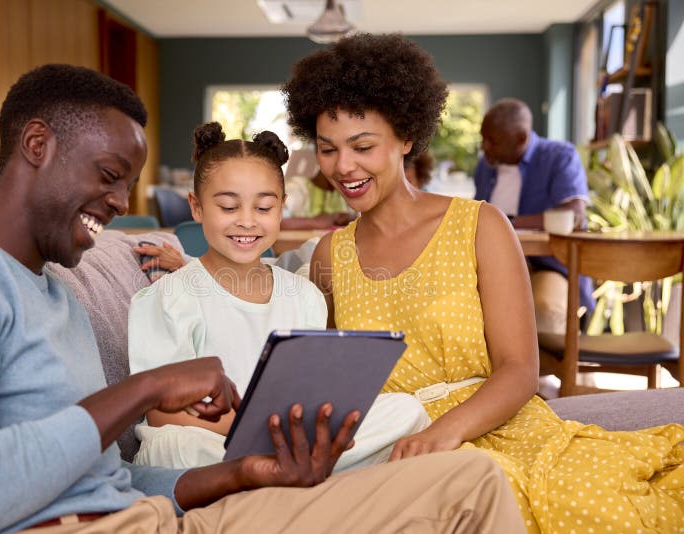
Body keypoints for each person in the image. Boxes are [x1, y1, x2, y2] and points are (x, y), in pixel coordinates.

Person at [0, 64, 525, 533]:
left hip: (162, 514)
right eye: (110, 178)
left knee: (472, 478)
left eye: (127, 186)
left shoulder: (57, 294)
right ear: (36, 145)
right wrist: (146, 389)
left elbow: (114, 478)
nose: (119, 205)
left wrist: (243, 475)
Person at [283, 33, 684, 533]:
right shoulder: (330, 255)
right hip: (397, 448)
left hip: (500, 431)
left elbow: (519, 370)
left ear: (406, 137)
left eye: (363, 146)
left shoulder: (480, 225)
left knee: (594, 510)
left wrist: (443, 433)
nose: (344, 166)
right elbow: (326, 375)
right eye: (327, 149)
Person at [128, 121, 427, 471]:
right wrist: (263, 434)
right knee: (177, 449)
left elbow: (313, 390)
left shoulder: (303, 295)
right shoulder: (169, 297)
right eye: (228, 207)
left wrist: (300, 429)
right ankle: (290, 469)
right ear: (196, 207)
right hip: (209, 443)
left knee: (408, 411)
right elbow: (163, 414)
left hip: (291, 438)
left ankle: (291, 469)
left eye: (264, 208)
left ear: (282, 208)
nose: (246, 221)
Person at [473, 98, 594, 334]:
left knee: (544, 313)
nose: (484, 147)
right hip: (493, 266)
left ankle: (539, 370)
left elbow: (574, 214)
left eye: (493, 141)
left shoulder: (559, 156)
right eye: (483, 139)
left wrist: (506, 222)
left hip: (548, 265)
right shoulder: (485, 166)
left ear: (521, 138)